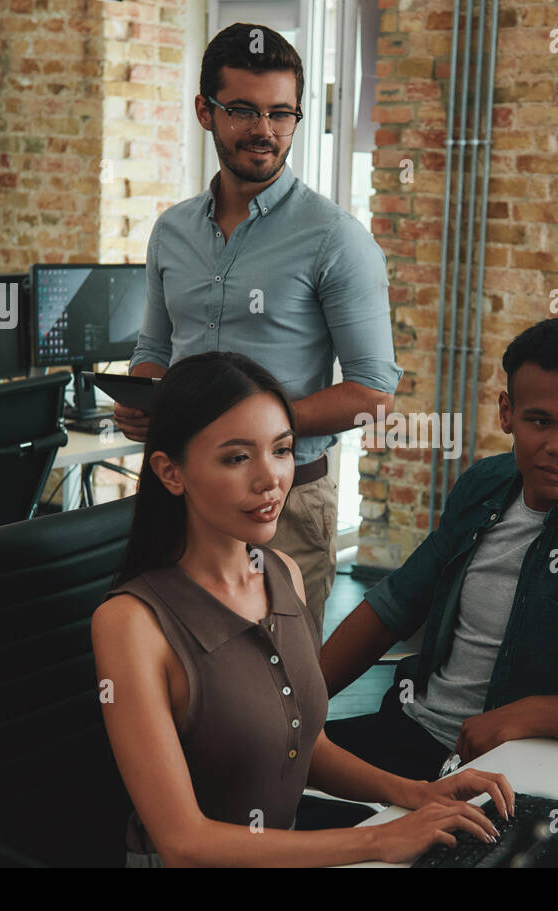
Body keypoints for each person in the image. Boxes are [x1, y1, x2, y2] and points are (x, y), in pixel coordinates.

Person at [92, 352, 512, 867]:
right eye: (236, 457)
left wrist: (417, 793)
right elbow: (185, 842)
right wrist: (380, 839)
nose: (270, 479)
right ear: (170, 472)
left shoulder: (283, 572)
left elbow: (299, 743)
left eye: (282, 450)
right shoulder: (131, 624)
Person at [114, 23, 402, 637]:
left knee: (278, 699)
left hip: (285, 499)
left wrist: (248, 437)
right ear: (204, 111)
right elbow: (154, 350)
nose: (264, 130)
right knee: (177, 670)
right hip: (179, 495)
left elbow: (374, 392)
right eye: (243, 110)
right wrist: (146, 397)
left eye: (281, 113)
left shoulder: (335, 238)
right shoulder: (171, 231)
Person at [320, 319, 558, 782]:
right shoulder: (484, 484)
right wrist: (292, 710)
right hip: (411, 737)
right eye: (540, 420)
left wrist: (534, 714)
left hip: (513, 774)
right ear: (506, 413)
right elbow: (393, 607)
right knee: (253, 779)